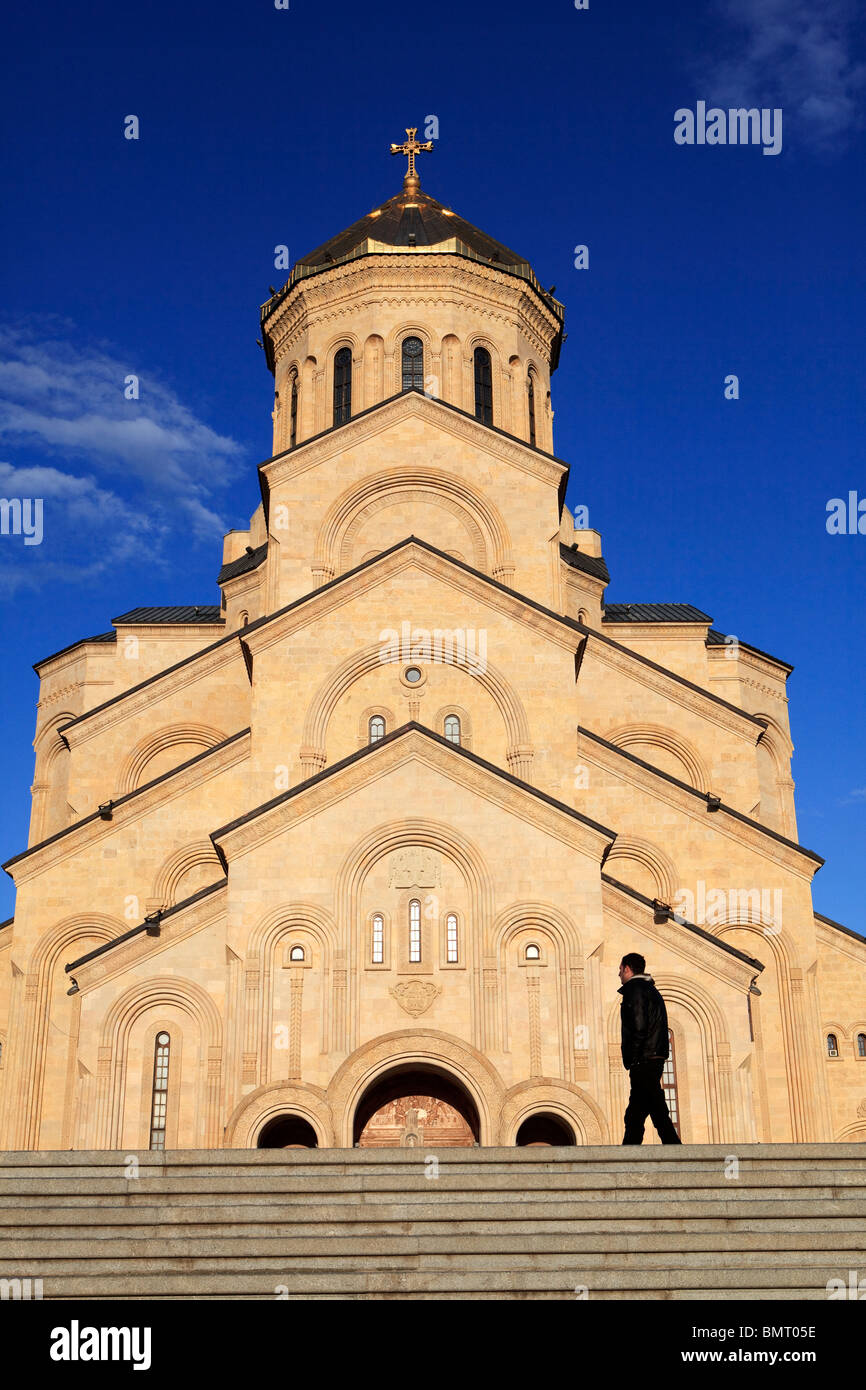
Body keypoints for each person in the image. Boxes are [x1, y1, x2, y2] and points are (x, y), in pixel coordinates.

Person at [618, 952, 682, 1144]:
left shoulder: (635, 990)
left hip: (644, 1058)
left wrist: (634, 1057)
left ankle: (673, 1147)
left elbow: (639, 1026)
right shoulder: (649, 989)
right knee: (639, 1111)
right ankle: (631, 1149)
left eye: (620, 969)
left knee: (649, 1109)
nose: (619, 974)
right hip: (652, 1056)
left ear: (627, 969)